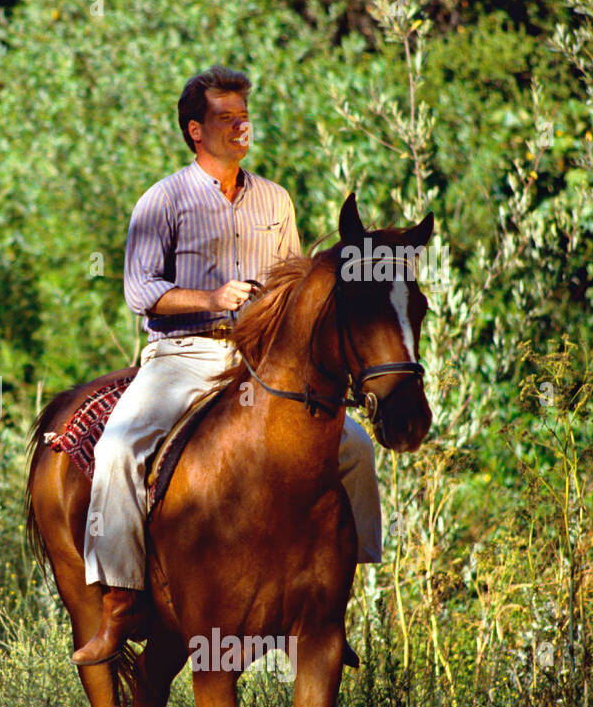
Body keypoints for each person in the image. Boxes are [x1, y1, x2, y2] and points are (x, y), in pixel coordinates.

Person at [72, 67, 381, 666]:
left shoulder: (275, 199)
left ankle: (334, 610)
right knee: (117, 449)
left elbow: (294, 282)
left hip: (262, 364)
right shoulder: (161, 201)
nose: (242, 128)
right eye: (226, 119)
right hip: (182, 356)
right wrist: (212, 299)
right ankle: (119, 605)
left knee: (356, 449)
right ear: (195, 130)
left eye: (245, 117)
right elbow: (141, 292)